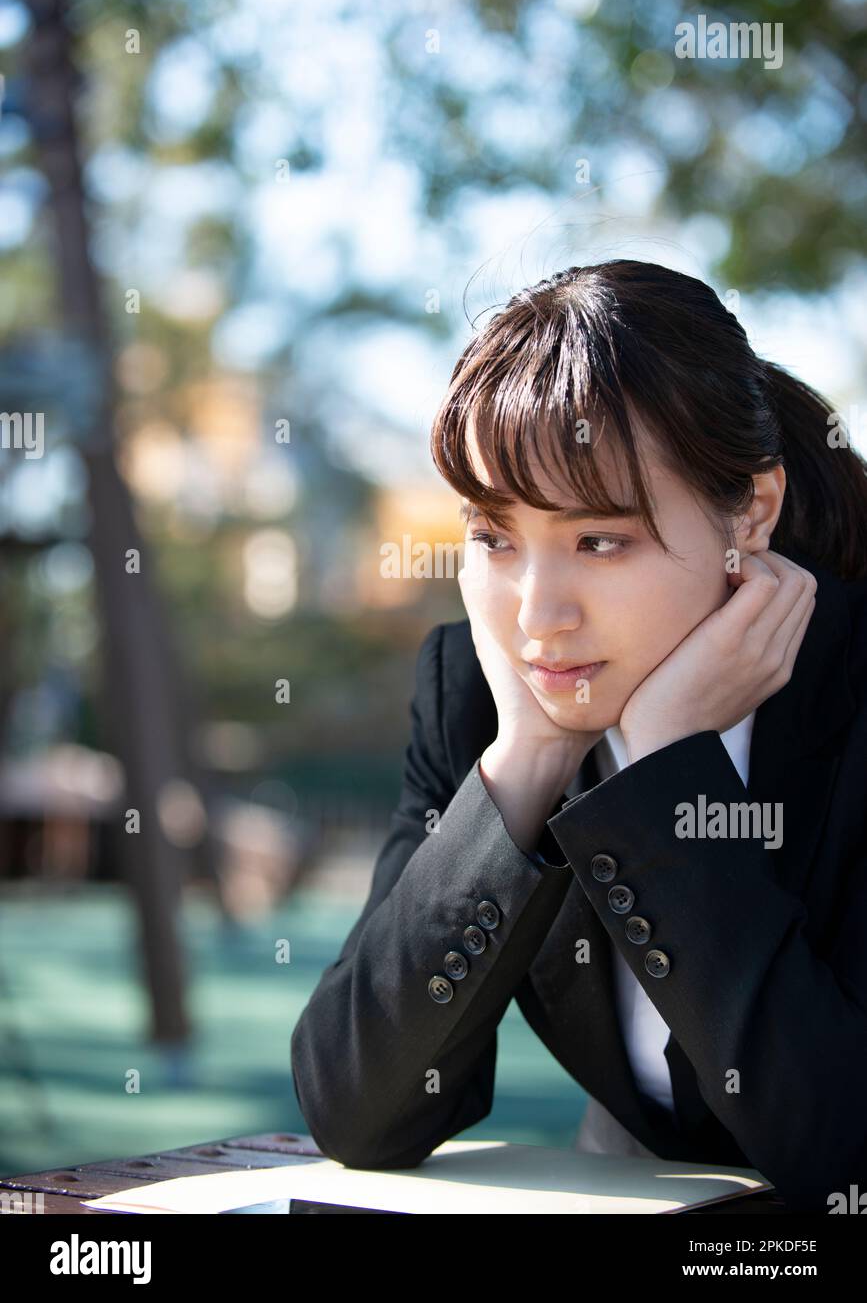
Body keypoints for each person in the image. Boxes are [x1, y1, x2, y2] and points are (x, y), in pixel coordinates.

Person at [290, 259, 867, 1213]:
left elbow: (844, 1151)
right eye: (495, 537)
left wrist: (666, 769)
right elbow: (359, 1111)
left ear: (751, 514)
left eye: (598, 541)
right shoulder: (477, 699)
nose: (536, 617)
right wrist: (527, 759)